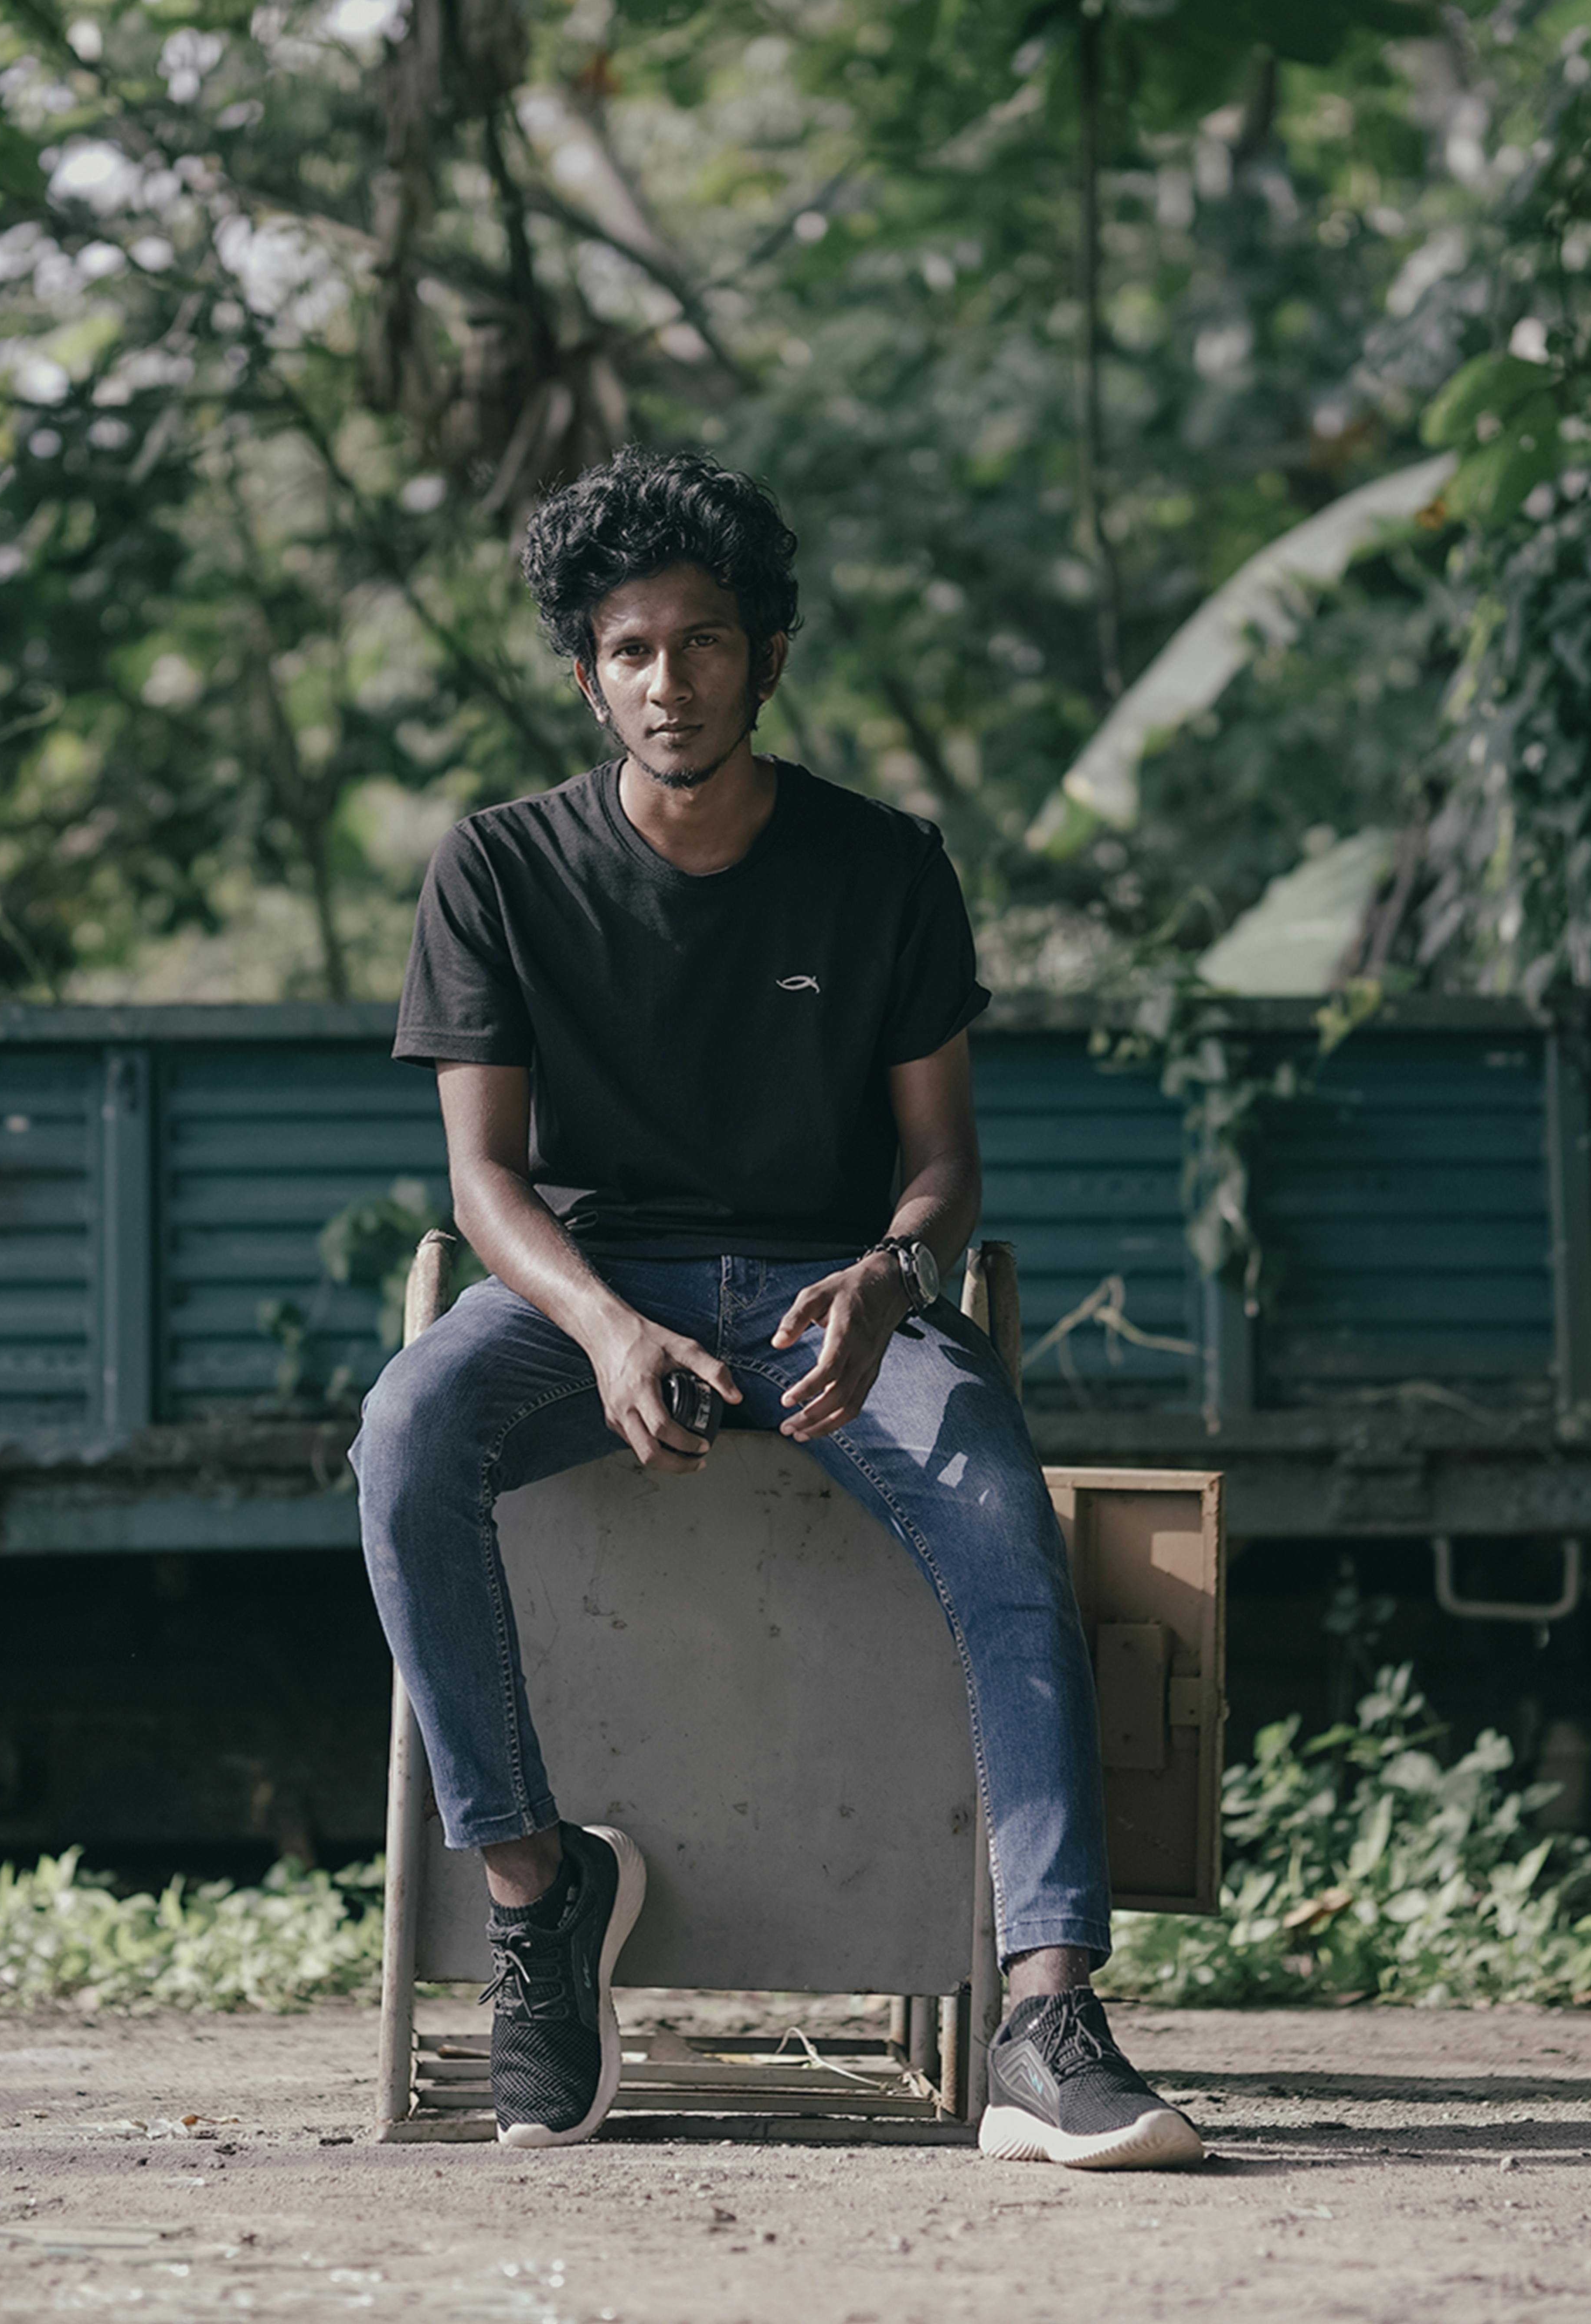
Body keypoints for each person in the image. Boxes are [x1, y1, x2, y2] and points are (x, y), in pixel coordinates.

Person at [349, 446, 1205, 2171]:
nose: (670, 681)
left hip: (836, 1309)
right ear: (584, 673)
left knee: (999, 1513)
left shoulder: (878, 866)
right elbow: (485, 1185)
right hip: (596, 1297)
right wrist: (599, 1329)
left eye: (705, 642)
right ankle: (539, 1902)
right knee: (401, 1431)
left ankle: (1045, 2017)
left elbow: (941, 1164)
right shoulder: (500, 871)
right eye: (632, 650)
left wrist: (893, 1272)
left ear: (767, 653)